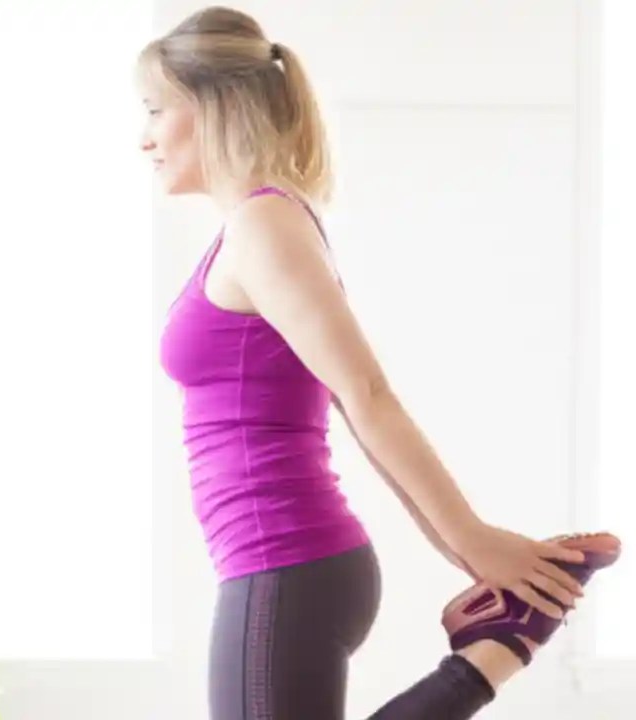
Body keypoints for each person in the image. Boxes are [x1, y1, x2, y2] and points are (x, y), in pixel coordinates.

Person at [137, 6, 622, 719]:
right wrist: (464, 549)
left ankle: (498, 649)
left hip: (283, 560)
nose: (144, 137)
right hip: (276, 562)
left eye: (156, 109)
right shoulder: (250, 229)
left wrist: (472, 541)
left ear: (216, 105)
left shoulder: (265, 225)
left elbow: (366, 394)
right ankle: (498, 644)